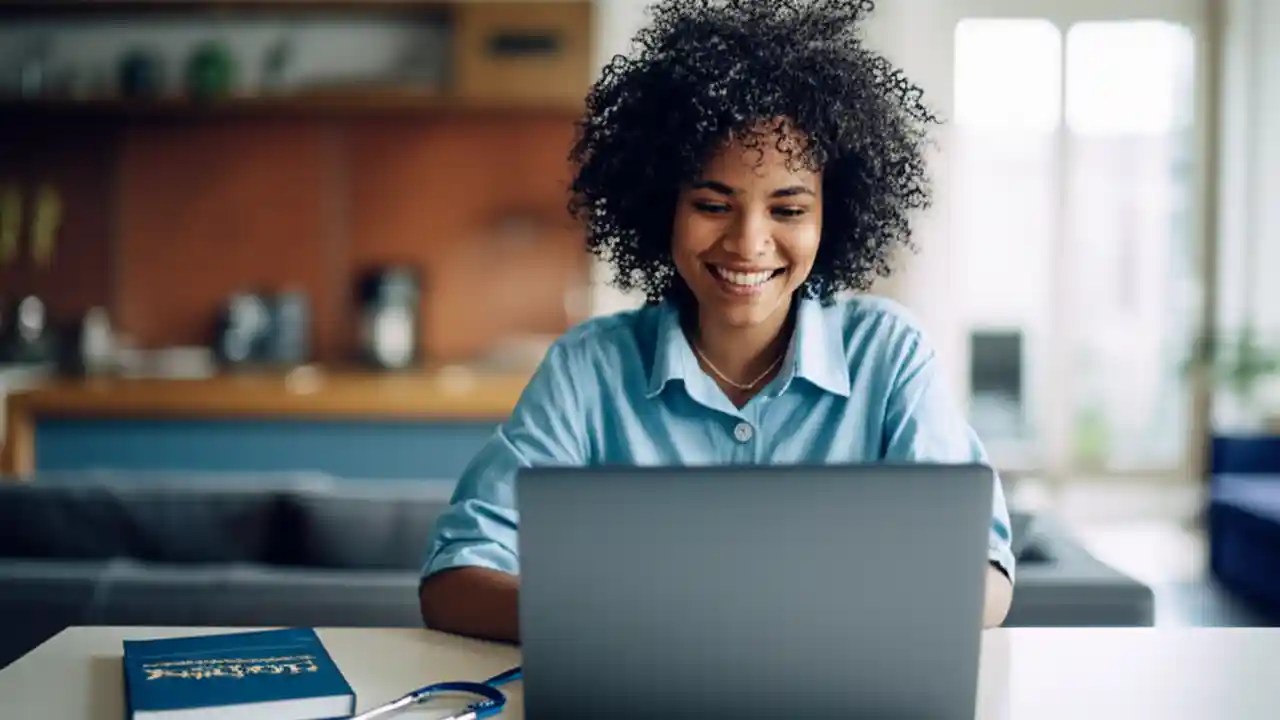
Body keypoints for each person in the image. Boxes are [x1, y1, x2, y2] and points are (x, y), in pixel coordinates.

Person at [419, 0, 1015, 642]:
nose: (749, 243)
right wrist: (631, 627)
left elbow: (984, 575)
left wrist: (826, 623)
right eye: (712, 203)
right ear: (661, 206)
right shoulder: (589, 369)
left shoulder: (888, 354)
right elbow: (455, 580)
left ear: (832, 218)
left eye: (788, 211)